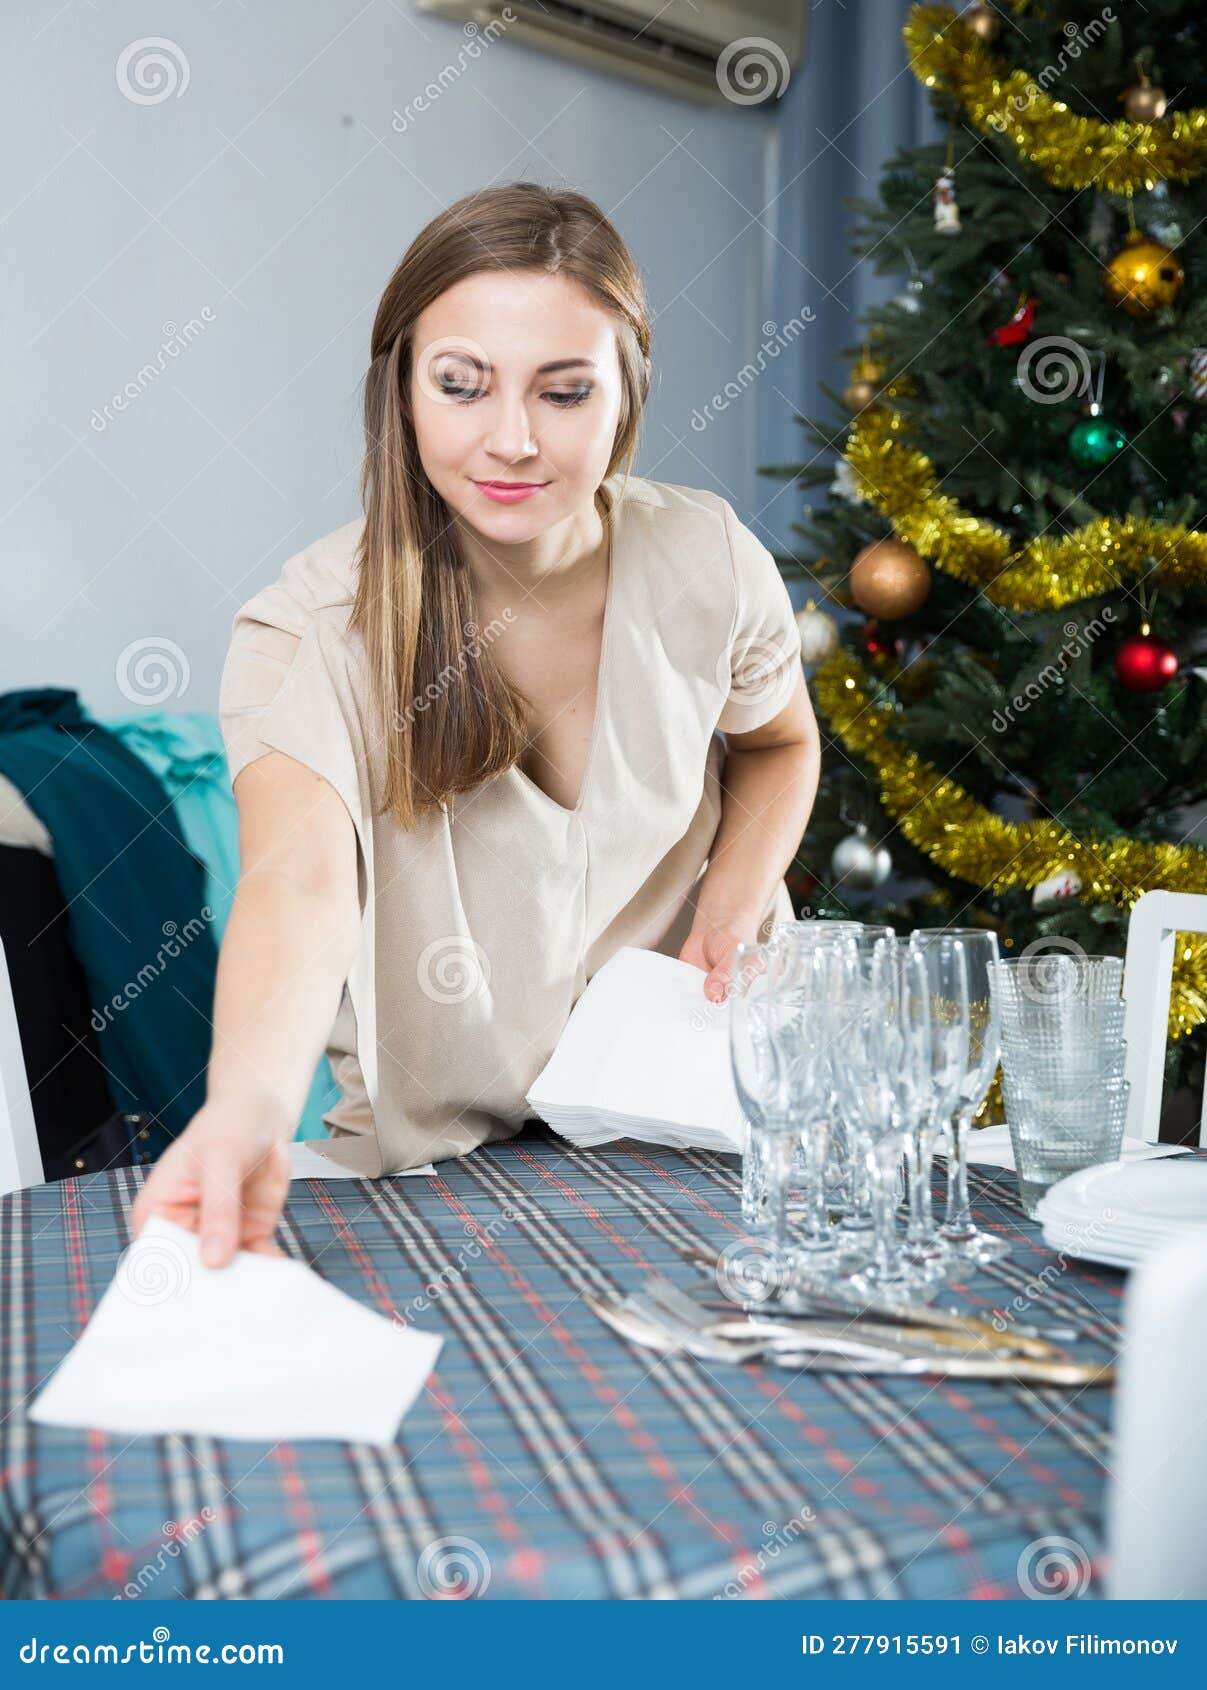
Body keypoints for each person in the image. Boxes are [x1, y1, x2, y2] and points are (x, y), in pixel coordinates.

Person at [131, 181, 821, 1269]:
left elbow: (781, 743)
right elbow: (297, 885)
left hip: (704, 1131)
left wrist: (737, 892)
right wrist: (247, 1104)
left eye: (563, 392)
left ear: (624, 400)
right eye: (462, 385)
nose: (510, 441)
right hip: (440, 1175)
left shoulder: (710, 557)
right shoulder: (310, 629)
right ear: (402, 393)